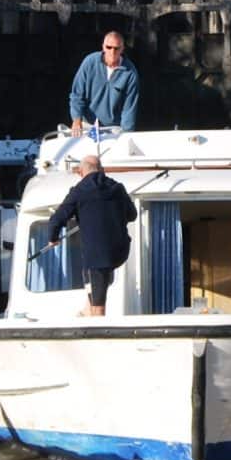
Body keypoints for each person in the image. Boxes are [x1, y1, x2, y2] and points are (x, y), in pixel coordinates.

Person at [44, 152, 136, 316]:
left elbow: (57, 219)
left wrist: (53, 238)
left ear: (81, 172)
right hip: (120, 251)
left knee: (99, 304)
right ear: (102, 170)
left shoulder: (79, 191)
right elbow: (132, 215)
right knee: (91, 282)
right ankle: (87, 311)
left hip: (97, 257)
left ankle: (97, 326)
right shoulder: (118, 188)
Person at [67, 28, 141, 132]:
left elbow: (129, 109)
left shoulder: (130, 73)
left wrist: (126, 133)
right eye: (109, 47)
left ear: (122, 49)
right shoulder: (90, 62)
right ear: (103, 47)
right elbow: (77, 94)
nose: (112, 51)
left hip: (113, 128)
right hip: (86, 124)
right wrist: (76, 118)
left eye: (116, 48)